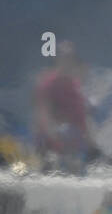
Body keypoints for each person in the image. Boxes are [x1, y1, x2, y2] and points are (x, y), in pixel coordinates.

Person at [32, 41, 92, 172]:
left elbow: (82, 116)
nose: (68, 61)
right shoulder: (48, 84)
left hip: (75, 142)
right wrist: (56, 140)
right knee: (65, 132)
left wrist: (90, 141)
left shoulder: (75, 84)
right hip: (55, 141)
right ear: (57, 59)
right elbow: (44, 115)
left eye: (70, 58)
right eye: (64, 57)